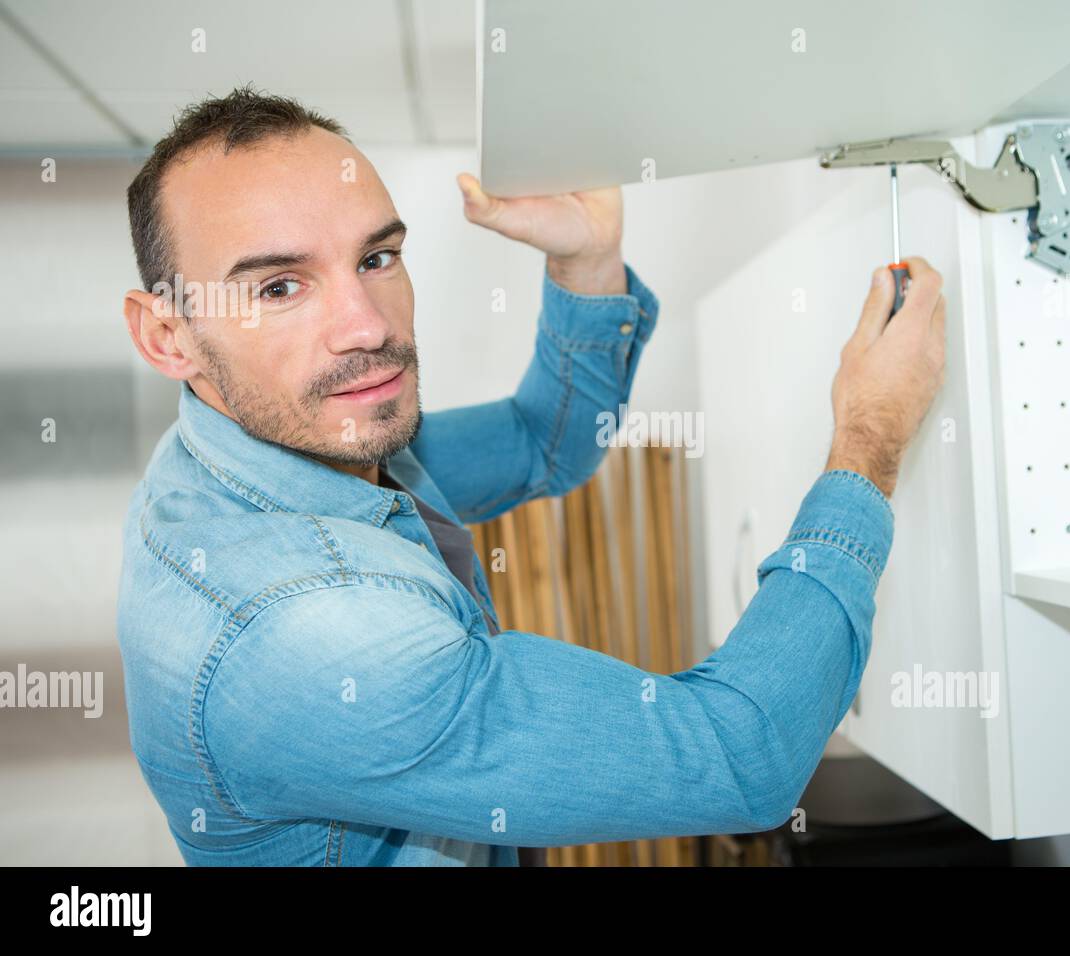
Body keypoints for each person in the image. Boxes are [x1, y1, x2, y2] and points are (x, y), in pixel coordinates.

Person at [117, 86, 946, 866]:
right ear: (168, 336)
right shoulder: (320, 638)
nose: (366, 327)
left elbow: (540, 443)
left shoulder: (247, 446)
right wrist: (869, 438)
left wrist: (587, 264)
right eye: (280, 286)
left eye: (376, 257)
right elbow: (741, 754)